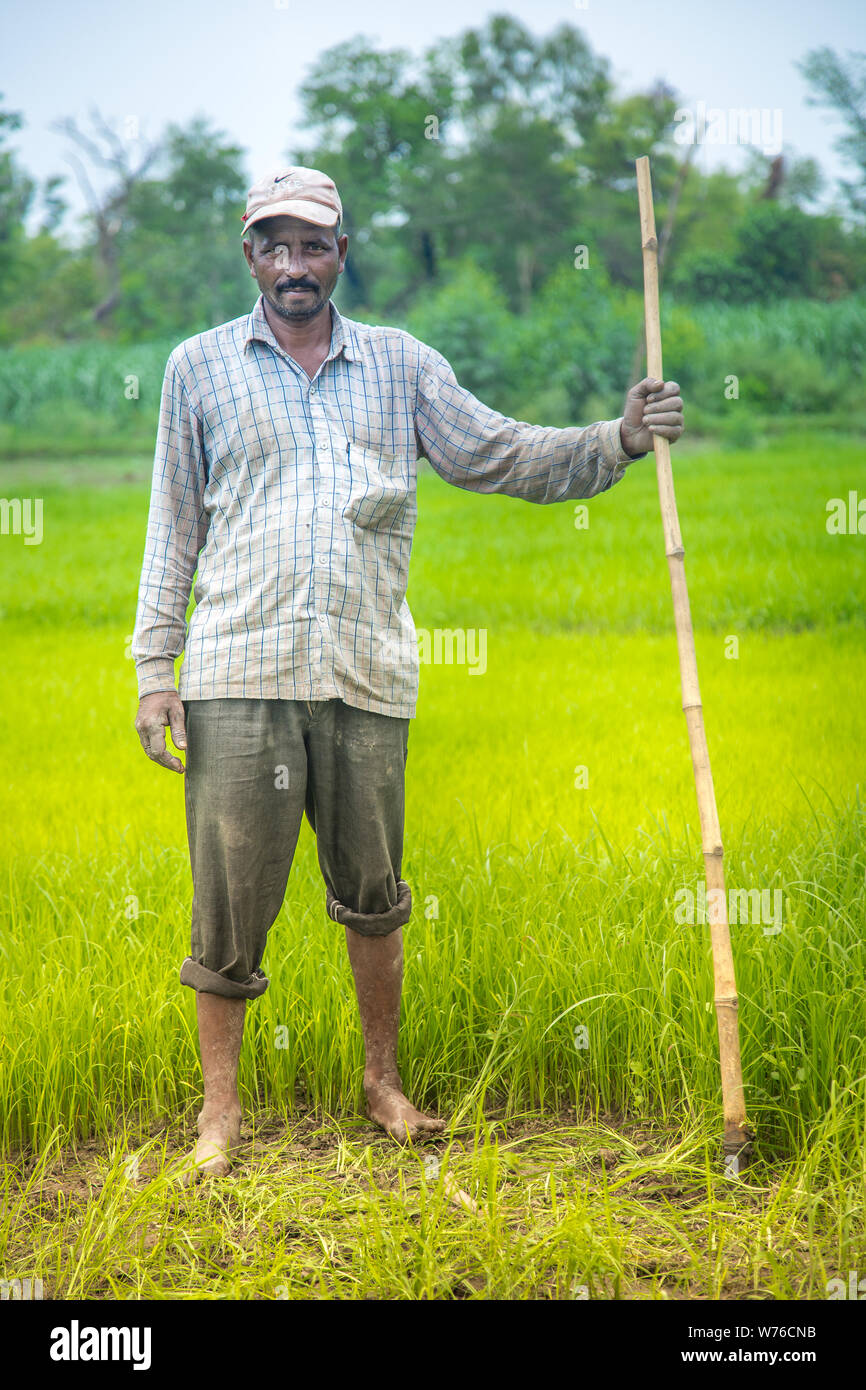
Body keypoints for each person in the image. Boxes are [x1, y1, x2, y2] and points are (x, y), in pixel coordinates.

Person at [131, 165, 684, 1181]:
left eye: (313, 245)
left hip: (364, 673)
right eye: (274, 246)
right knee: (226, 905)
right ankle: (219, 1117)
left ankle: (381, 1085)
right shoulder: (195, 367)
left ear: (342, 253)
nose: (293, 265)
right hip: (236, 670)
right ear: (248, 254)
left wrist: (618, 440)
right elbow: (174, 521)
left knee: (374, 895)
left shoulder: (400, 365)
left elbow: (499, 454)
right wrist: (154, 666)